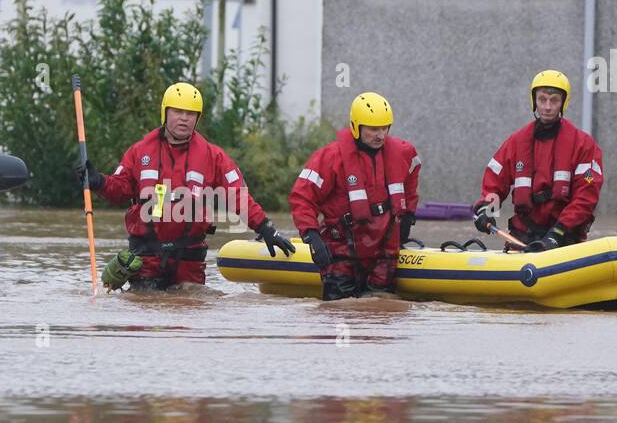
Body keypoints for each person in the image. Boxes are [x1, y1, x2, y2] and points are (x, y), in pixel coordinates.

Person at [75, 82, 294, 290]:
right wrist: (99, 182)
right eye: (178, 112)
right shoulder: (140, 151)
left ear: (197, 119)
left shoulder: (213, 156)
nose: (184, 119)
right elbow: (119, 189)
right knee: (143, 311)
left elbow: (238, 196)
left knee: (190, 313)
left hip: (189, 260)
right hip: (146, 259)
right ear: (165, 113)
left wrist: (266, 228)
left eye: (190, 114)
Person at [289, 92, 421, 300]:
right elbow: (302, 196)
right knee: (339, 314)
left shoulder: (403, 153)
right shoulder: (330, 158)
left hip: (383, 254)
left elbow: (412, 176)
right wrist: (311, 236)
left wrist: (408, 214)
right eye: (373, 129)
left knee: (382, 315)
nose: (381, 135)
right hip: (342, 252)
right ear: (356, 127)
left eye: (385, 128)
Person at [472, 70, 604, 251]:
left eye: (554, 100)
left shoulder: (583, 145)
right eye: (542, 99)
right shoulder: (517, 142)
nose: (547, 107)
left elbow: (587, 196)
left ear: (563, 103)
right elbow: (495, 180)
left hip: (564, 239)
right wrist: (486, 210)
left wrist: (557, 233)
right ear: (534, 101)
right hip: (522, 238)